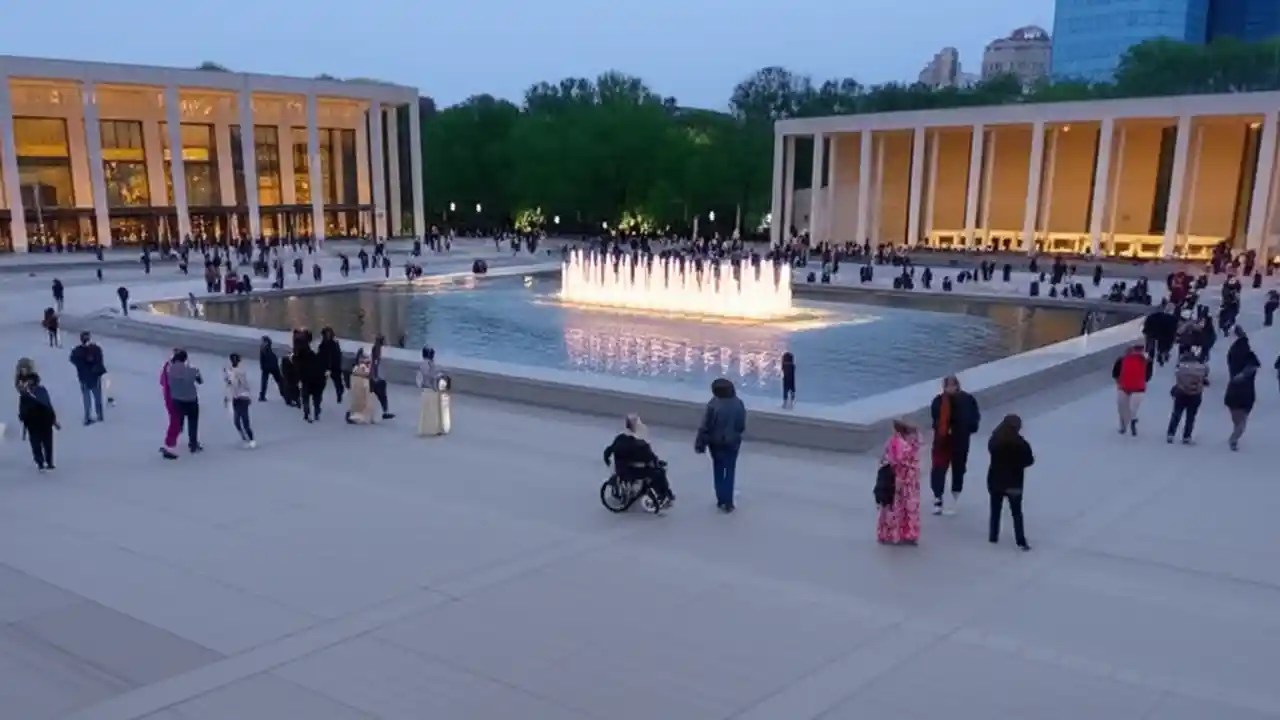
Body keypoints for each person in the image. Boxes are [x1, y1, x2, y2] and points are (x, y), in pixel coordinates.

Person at [928, 375, 980, 515]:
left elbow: (974, 417)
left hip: (960, 440)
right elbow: (935, 419)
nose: (950, 388)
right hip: (942, 442)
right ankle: (938, 498)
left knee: (959, 469)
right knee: (938, 469)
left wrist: (967, 428)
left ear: (957, 386)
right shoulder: (938, 402)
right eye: (948, 386)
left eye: (952, 385)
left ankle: (954, 498)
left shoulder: (967, 400)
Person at [695, 377, 747, 513]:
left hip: (716, 442)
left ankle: (721, 498)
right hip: (733, 441)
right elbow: (741, 425)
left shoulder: (713, 405)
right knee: (730, 470)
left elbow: (705, 425)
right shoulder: (738, 404)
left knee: (718, 469)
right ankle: (728, 501)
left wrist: (700, 442)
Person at [603, 414, 674, 509]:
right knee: (657, 473)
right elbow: (647, 456)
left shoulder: (621, 438)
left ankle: (662, 493)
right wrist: (655, 462)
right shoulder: (637, 442)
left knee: (656, 471)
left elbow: (608, 450)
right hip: (631, 470)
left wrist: (607, 460)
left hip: (623, 468)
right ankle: (663, 494)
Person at [986, 414, 1034, 551]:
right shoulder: (1021, 444)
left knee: (995, 510)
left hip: (995, 480)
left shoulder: (994, 440)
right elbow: (1029, 461)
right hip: (1014, 482)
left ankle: (993, 536)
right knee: (1016, 512)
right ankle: (1020, 540)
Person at [876, 419, 921, 546]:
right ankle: (908, 533)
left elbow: (890, 461)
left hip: (898, 480)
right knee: (906, 508)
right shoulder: (910, 444)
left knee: (893, 507)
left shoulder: (895, 442)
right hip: (908, 481)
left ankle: (889, 534)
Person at [161, 350, 203, 458]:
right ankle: (193, 444)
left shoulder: (169, 369)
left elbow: (164, 381)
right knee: (193, 422)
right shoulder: (191, 370)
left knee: (176, 422)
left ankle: (172, 441)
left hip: (177, 400)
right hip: (191, 399)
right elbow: (200, 380)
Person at [1224, 336, 1260, 452]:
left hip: (1232, 392)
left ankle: (1235, 433)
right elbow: (1255, 366)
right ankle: (1234, 438)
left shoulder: (1232, 356)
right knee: (1242, 420)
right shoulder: (1250, 358)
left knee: (1237, 418)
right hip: (1246, 394)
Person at [18, 373, 59, 470]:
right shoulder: (24, 395)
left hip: (45, 421)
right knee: (36, 444)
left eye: (31, 380)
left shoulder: (42, 391)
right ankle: (40, 461)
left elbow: (48, 405)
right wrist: (23, 416)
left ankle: (49, 462)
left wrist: (53, 419)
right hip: (33, 423)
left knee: (48, 443)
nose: (30, 383)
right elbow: (22, 408)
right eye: (28, 381)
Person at [1167, 350, 1208, 444]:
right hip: (1195, 395)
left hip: (1181, 393)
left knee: (1176, 414)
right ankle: (1187, 436)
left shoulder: (1180, 367)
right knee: (1191, 416)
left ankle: (1171, 433)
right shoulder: (1201, 368)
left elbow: (1177, 377)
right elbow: (1205, 379)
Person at [1111, 344, 1151, 436]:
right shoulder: (1145, 360)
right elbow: (1148, 375)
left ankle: (1124, 425)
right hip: (1138, 387)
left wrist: (1118, 380)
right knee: (1131, 407)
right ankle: (1132, 419)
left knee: (1122, 407)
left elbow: (1115, 372)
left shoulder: (1122, 359)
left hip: (1124, 386)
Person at [68, 332, 107, 426]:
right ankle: (95, 416)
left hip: (87, 377)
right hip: (90, 377)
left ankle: (92, 416)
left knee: (90, 399)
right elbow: (99, 361)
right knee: (93, 398)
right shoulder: (94, 349)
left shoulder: (80, 350)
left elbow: (73, 359)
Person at [223, 352, 255, 449]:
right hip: (236, 398)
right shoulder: (231, 371)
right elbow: (229, 386)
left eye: (235, 359)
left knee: (244, 420)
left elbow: (242, 385)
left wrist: (230, 380)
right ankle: (246, 438)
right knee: (237, 421)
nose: (233, 361)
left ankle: (251, 439)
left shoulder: (240, 372)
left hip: (242, 398)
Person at [345, 350, 378, 425]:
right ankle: (357, 415)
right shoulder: (361, 366)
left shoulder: (360, 366)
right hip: (361, 381)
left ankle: (359, 416)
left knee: (362, 400)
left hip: (361, 381)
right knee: (360, 400)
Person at [370, 335, 394, 419]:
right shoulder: (377, 350)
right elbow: (375, 363)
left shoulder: (376, 349)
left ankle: (382, 411)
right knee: (382, 396)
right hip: (378, 378)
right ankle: (384, 411)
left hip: (376, 377)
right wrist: (376, 376)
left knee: (379, 396)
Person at [318, 327, 344, 404]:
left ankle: (339, 393)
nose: (327, 336)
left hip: (334, 366)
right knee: (320, 383)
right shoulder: (322, 345)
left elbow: (338, 355)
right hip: (324, 366)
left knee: (337, 382)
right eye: (326, 334)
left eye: (329, 334)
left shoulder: (335, 344)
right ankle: (318, 398)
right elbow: (320, 355)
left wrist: (336, 365)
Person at [258, 336, 283, 402]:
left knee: (266, 382)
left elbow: (263, 359)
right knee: (279, 381)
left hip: (270, 367)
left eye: (263, 341)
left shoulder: (263, 348)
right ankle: (284, 393)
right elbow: (263, 359)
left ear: (266, 342)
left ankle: (262, 396)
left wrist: (262, 366)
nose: (262, 342)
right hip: (271, 367)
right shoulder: (265, 348)